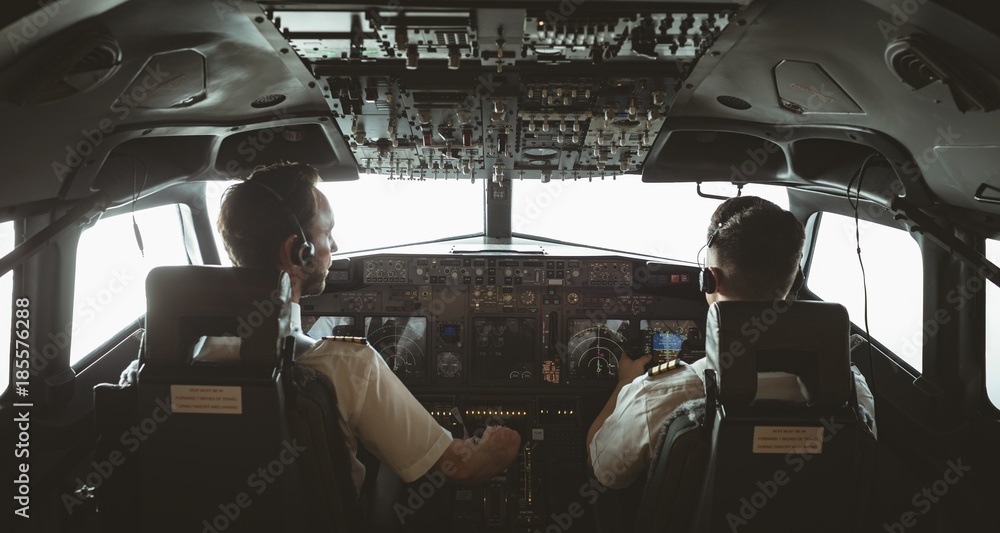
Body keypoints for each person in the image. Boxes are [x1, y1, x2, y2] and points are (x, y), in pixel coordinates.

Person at [212, 161, 521, 495]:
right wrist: (493, 450)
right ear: (295, 251)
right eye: (327, 234)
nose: (336, 247)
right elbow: (459, 468)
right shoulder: (347, 366)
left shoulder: (167, 350)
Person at [586, 196, 876, 489]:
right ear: (795, 280)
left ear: (710, 279)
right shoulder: (848, 390)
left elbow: (604, 471)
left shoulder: (663, 396)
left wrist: (624, 384)